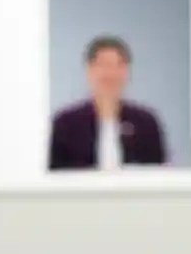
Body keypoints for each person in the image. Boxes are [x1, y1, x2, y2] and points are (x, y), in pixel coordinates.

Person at [48, 36, 167, 171]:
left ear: (127, 72)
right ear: (90, 71)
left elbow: (159, 175)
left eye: (119, 66)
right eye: (104, 65)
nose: (111, 73)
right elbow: (55, 176)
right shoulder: (66, 123)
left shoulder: (146, 122)